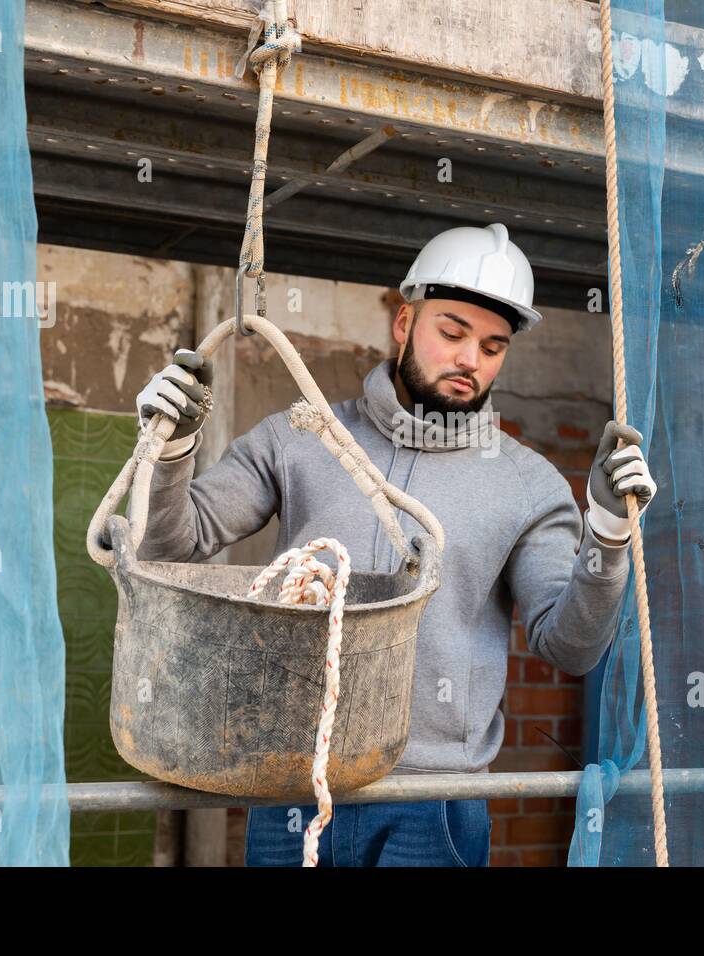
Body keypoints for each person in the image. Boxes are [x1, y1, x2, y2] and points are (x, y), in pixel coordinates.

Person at [132, 222, 657, 866]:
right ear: (405, 322)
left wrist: (608, 532)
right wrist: (170, 449)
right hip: (295, 785)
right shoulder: (299, 438)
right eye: (453, 332)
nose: (471, 360)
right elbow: (172, 546)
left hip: (434, 805)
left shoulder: (528, 483)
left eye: (493, 346)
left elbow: (571, 647)